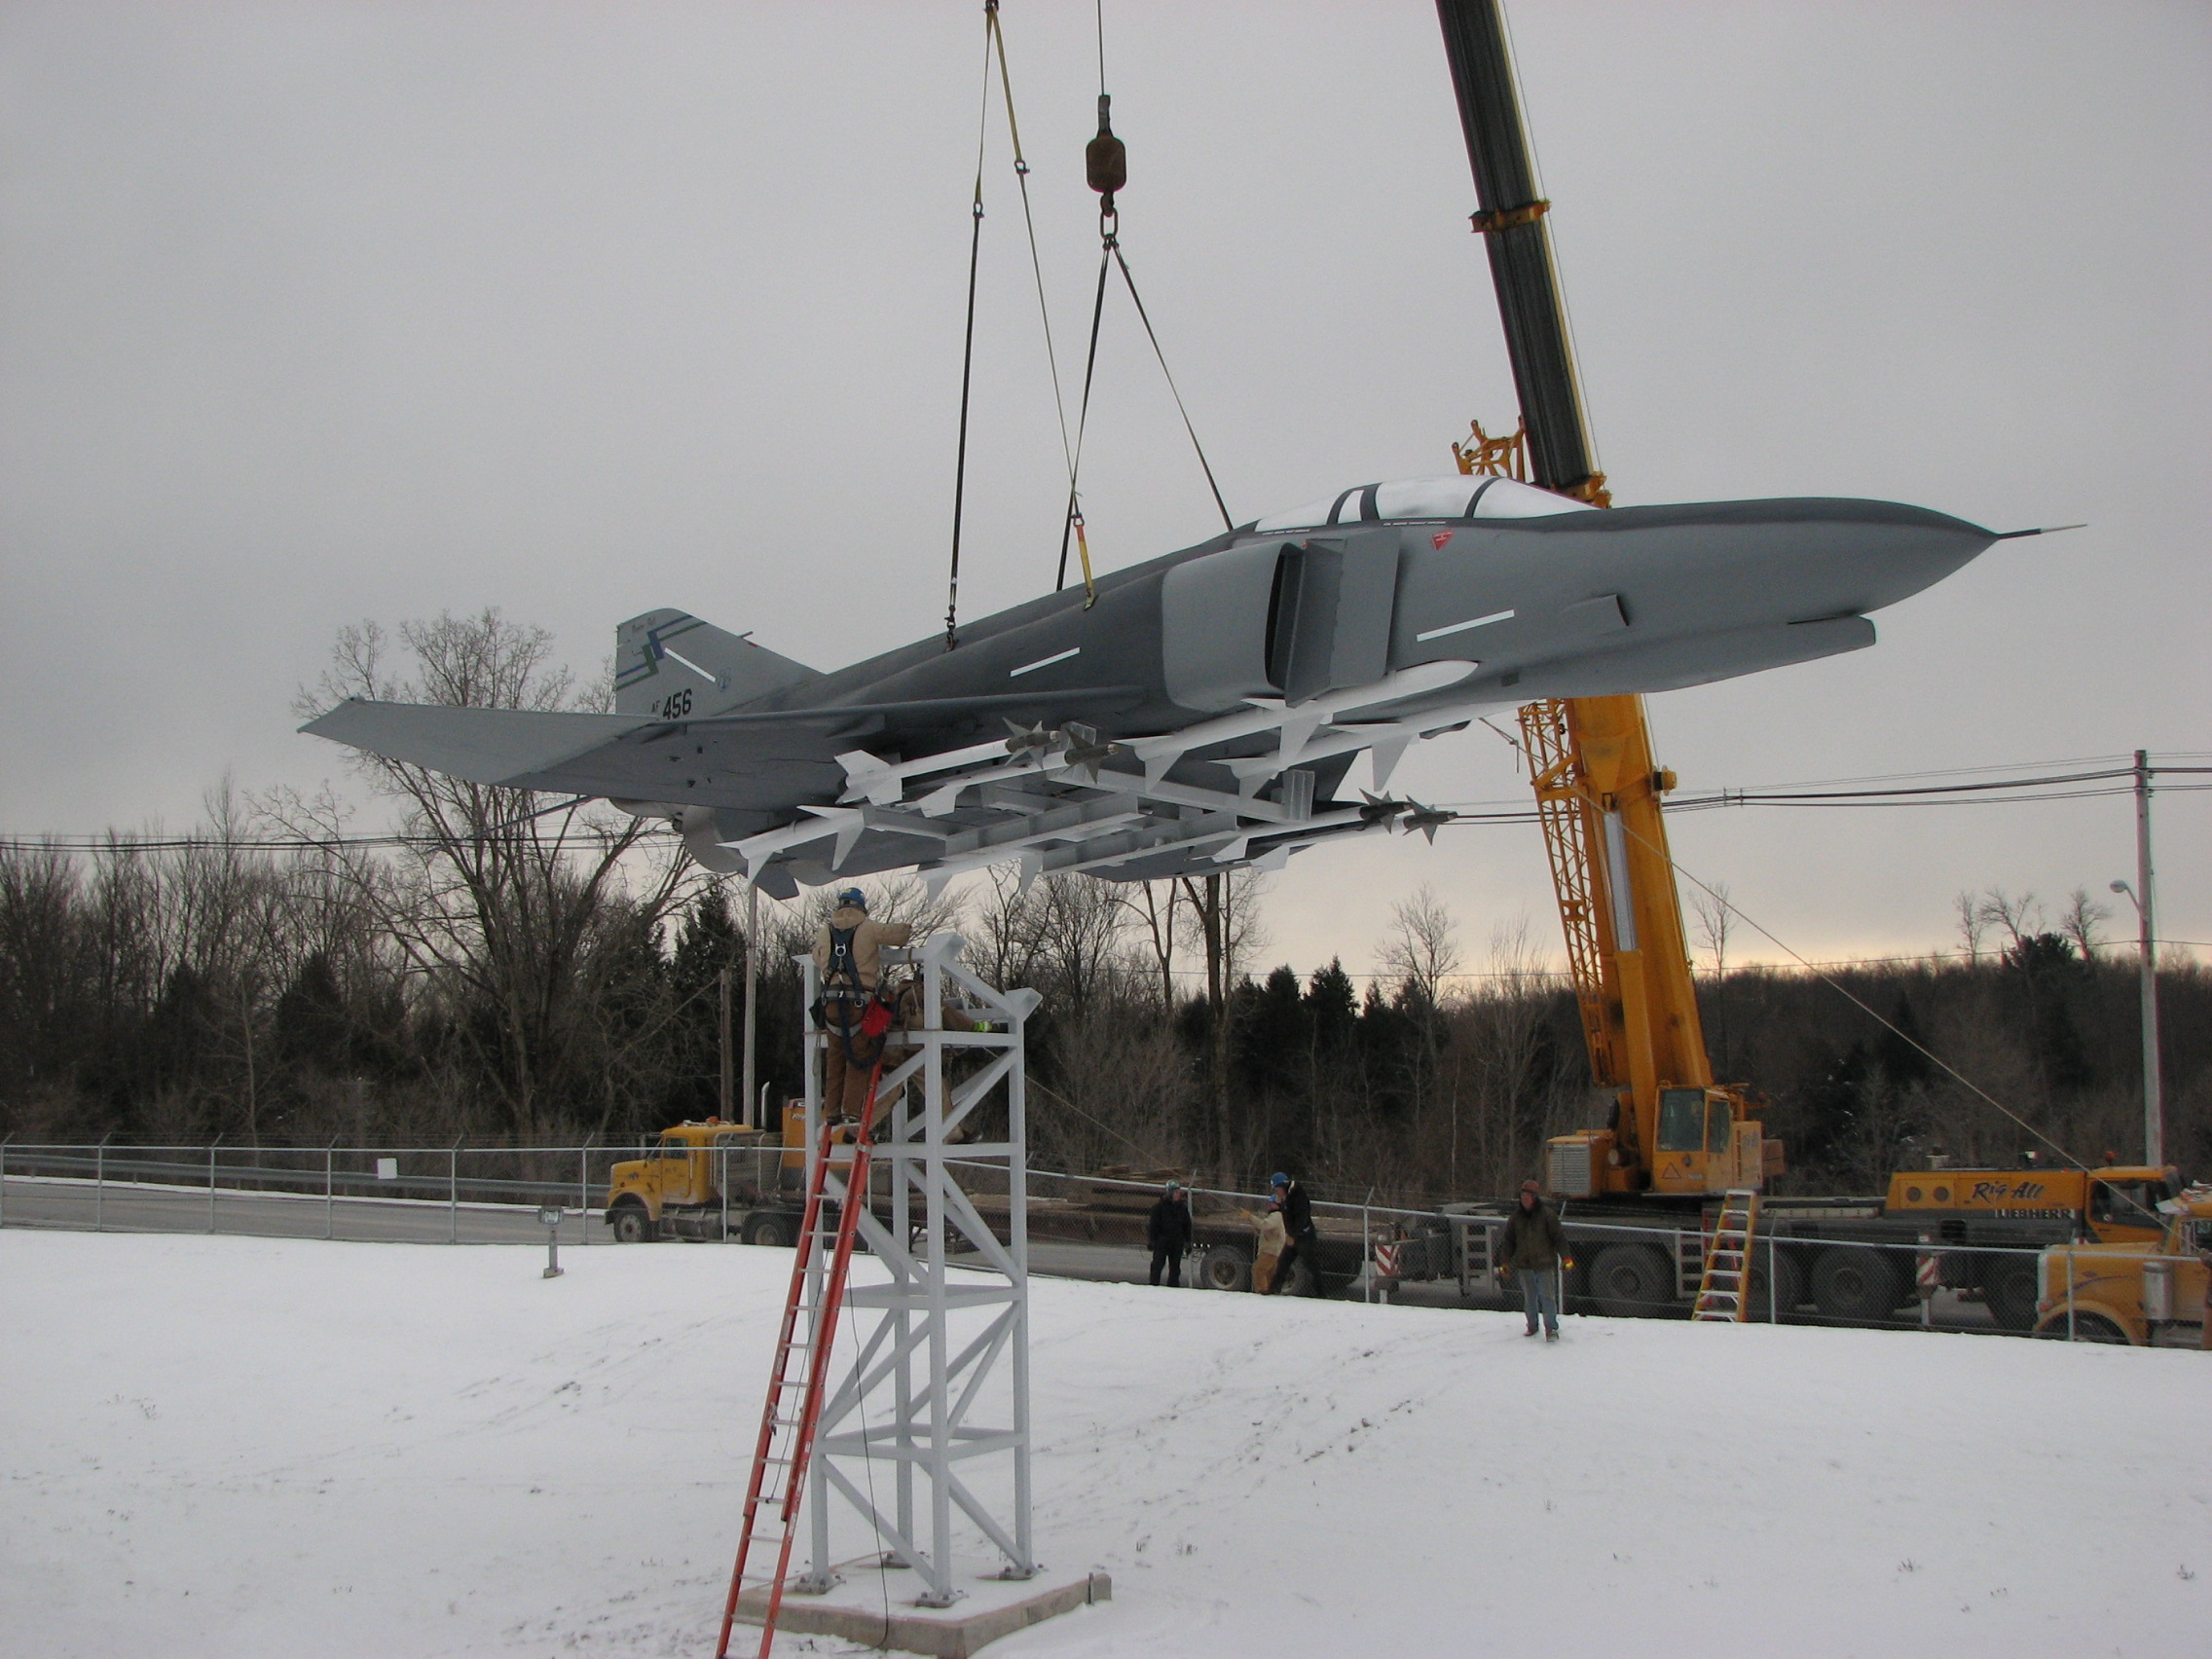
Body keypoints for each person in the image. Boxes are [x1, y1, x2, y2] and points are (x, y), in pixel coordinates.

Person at [812, 889, 912, 1120]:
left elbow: (817, 958)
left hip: (830, 1004)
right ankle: (851, 1110)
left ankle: (832, 1111)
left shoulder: (825, 931)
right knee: (859, 1055)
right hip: (858, 1004)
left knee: (835, 1057)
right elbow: (900, 935)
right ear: (861, 907)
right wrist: (908, 926)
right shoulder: (868, 927)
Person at [1499, 1178, 1567, 1340]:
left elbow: (1559, 1238)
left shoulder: (1547, 1215)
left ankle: (1551, 1328)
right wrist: (1505, 1262)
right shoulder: (1516, 1217)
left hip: (1544, 1264)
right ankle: (1532, 1326)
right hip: (1524, 1265)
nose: (1524, 1197)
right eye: (1523, 1194)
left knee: (1547, 1297)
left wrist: (1566, 1257)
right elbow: (1508, 1241)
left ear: (1535, 1197)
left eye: (1528, 1194)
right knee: (1529, 1299)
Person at [1262, 1172, 1317, 1296]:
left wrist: (1292, 1235)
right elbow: (1286, 1212)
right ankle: (1273, 1289)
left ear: (1283, 1186)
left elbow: (1301, 1217)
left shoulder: (1298, 1195)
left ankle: (1320, 1293)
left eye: (1277, 1189)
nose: (1277, 1192)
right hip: (1294, 1235)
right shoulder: (1285, 1198)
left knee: (1310, 1265)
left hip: (1305, 1236)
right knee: (1283, 1263)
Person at [1146, 1180, 1195, 1287]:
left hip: (1177, 1241)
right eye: (1176, 1192)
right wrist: (1152, 1240)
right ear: (1170, 1193)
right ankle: (1153, 1286)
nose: (1178, 1194)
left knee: (1175, 1267)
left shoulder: (1182, 1208)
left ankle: (1173, 1287)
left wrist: (1188, 1242)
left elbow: (1187, 1226)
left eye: (1179, 1192)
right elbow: (1153, 1225)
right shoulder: (1159, 1207)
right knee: (1157, 1264)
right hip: (1162, 1240)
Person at [1252, 1198, 1288, 1294]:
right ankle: (1270, 1291)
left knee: (1259, 1270)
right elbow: (1267, 1230)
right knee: (1269, 1273)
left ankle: (1262, 1291)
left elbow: (1264, 1225)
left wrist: (1250, 1217)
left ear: (1278, 1205)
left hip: (1270, 1251)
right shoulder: (1277, 1216)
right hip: (1274, 1250)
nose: (1268, 1205)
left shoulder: (1276, 1215)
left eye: (1271, 1203)